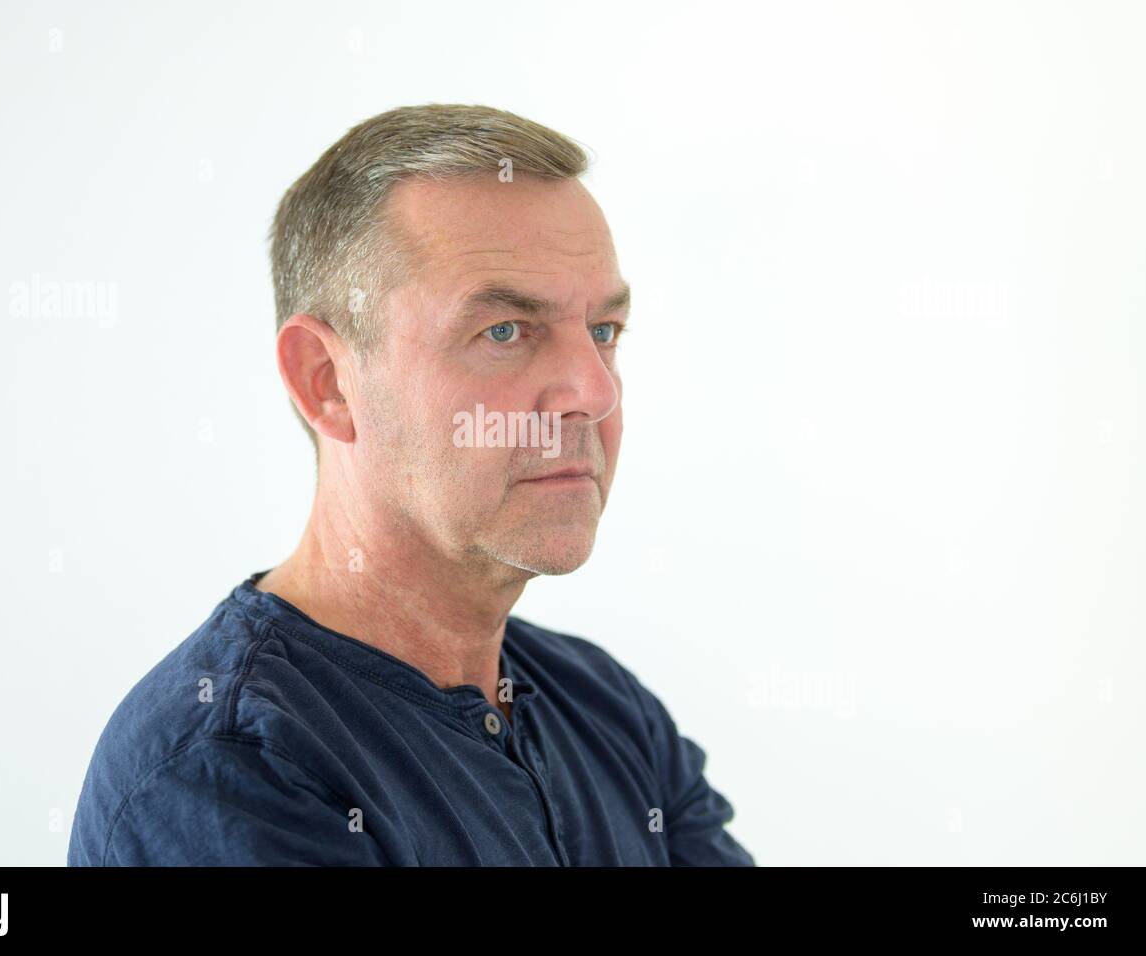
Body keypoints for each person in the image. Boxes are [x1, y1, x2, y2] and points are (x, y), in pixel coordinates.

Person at [67, 103, 754, 866]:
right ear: (327, 381)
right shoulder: (230, 768)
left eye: (603, 332)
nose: (593, 393)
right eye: (503, 331)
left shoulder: (607, 709)